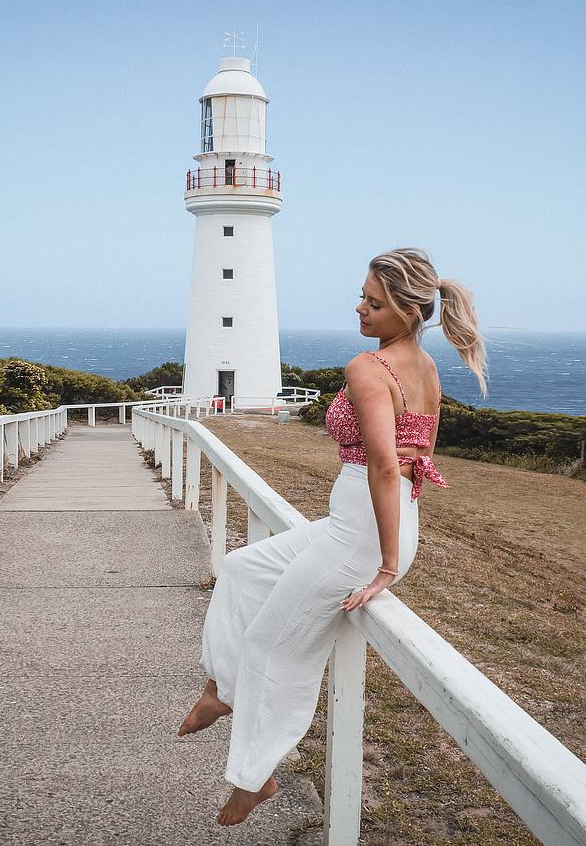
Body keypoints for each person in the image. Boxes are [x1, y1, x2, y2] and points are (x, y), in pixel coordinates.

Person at [177, 247, 489, 826]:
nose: (360, 310)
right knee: (244, 570)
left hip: (366, 535)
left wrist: (387, 565)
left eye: (374, 303)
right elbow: (415, 455)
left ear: (405, 309)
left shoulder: (368, 370)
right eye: (362, 298)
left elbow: (386, 466)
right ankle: (221, 687)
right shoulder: (425, 368)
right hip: (360, 525)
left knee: (275, 646)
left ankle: (254, 778)